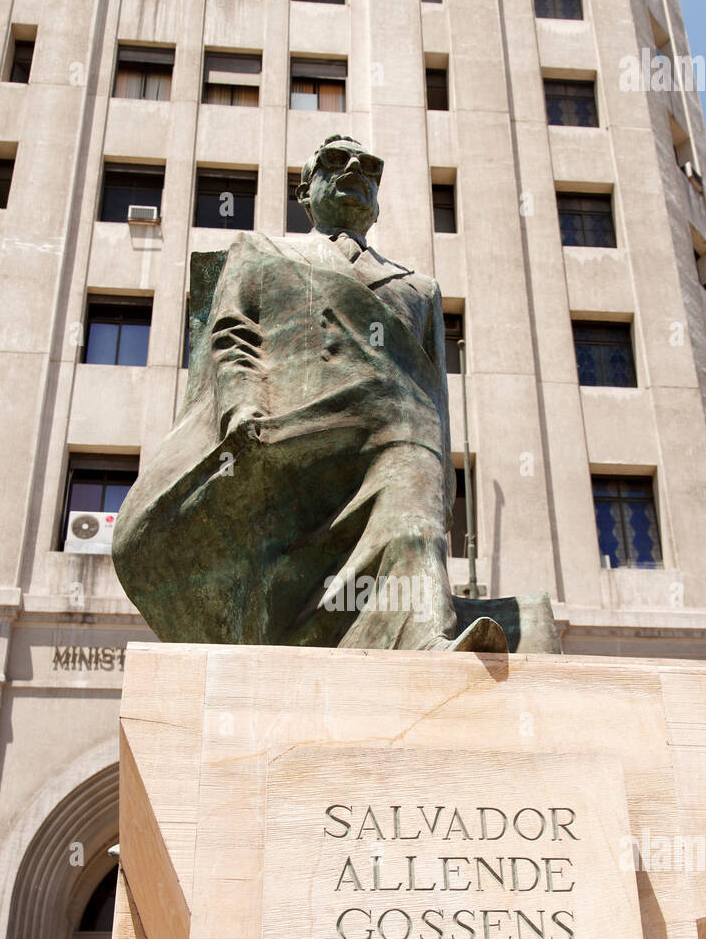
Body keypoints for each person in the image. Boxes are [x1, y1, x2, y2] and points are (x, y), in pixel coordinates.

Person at [112, 135, 506, 652]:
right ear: (305, 190)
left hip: (395, 437)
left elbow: (431, 393)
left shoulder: (419, 289)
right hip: (295, 428)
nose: (353, 171)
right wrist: (241, 404)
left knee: (413, 504)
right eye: (335, 162)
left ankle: (426, 639)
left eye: (368, 167)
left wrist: (442, 487)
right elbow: (232, 335)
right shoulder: (261, 252)